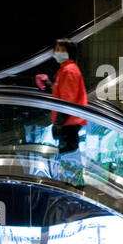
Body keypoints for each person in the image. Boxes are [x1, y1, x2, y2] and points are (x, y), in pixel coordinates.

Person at [36, 39, 86, 185]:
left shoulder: (69, 70)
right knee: (69, 157)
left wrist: (58, 124)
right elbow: (62, 94)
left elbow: (67, 102)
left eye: (62, 50)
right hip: (68, 122)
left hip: (69, 123)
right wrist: (49, 83)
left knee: (69, 157)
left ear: (69, 52)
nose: (58, 53)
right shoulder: (65, 69)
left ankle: (73, 187)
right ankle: (71, 185)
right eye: (56, 49)